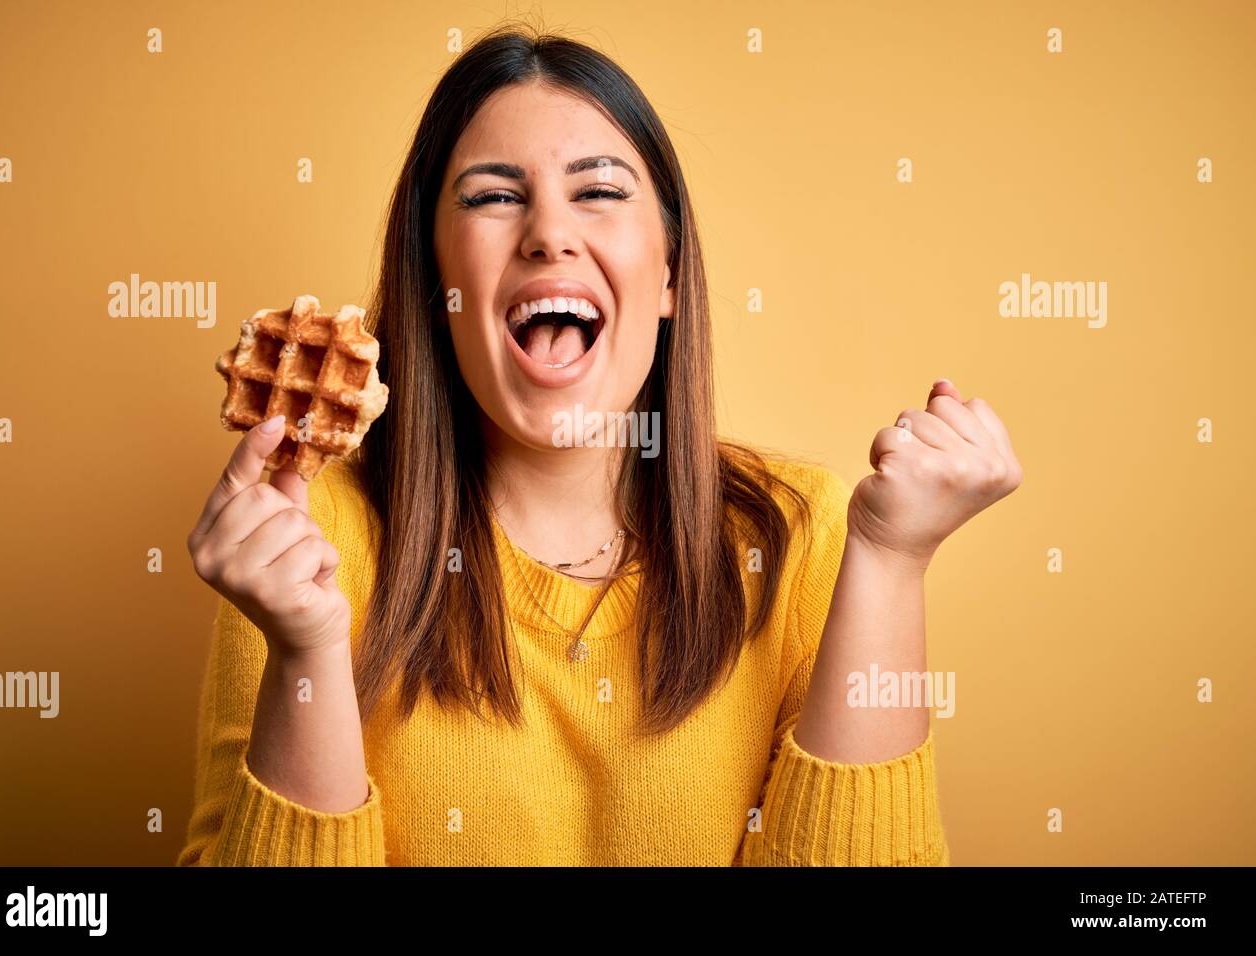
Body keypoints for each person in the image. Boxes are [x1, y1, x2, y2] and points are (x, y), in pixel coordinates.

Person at [177, 25, 1021, 867]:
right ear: (438, 285)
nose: (548, 233)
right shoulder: (305, 544)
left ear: (667, 277)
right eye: (493, 196)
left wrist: (890, 560)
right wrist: (307, 648)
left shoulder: (805, 537)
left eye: (600, 191)